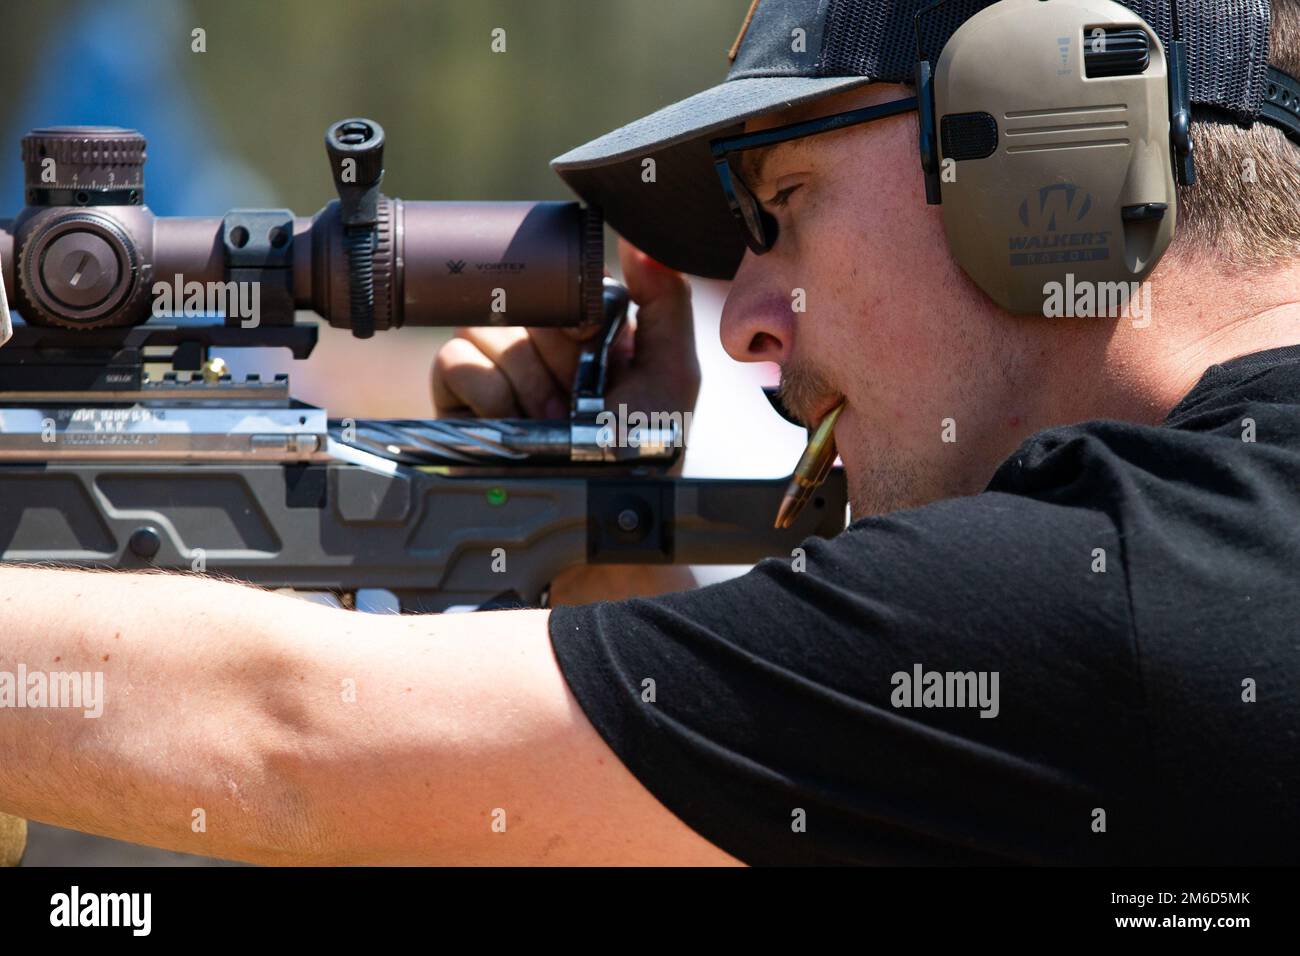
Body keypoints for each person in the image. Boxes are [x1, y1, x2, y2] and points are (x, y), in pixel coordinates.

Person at [1, 0, 1298, 866]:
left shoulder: (1137, 588)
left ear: (1045, 153)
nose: (748, 326)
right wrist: (603, 547)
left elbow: (294, 744)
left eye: (785, 204)